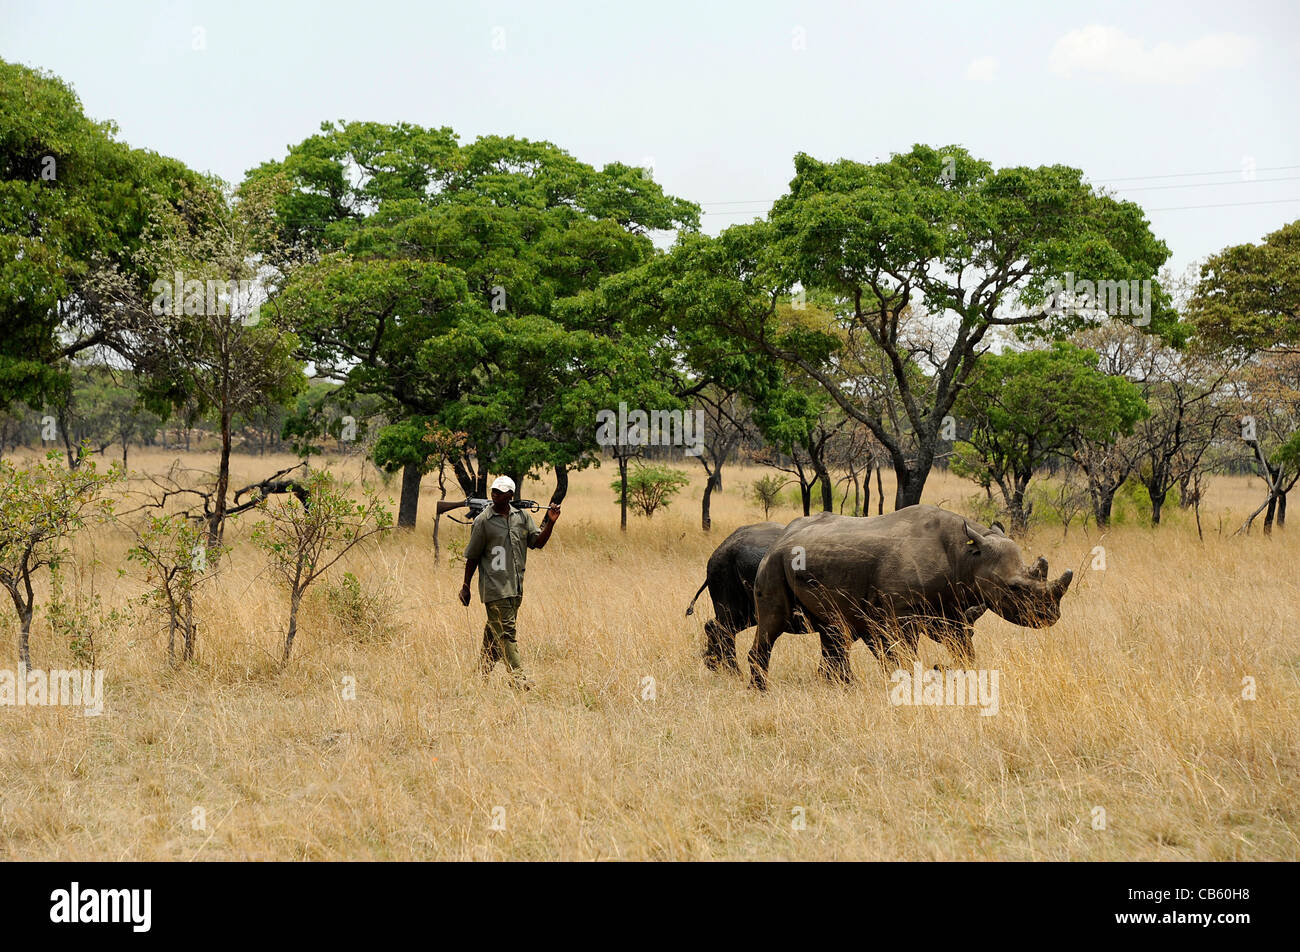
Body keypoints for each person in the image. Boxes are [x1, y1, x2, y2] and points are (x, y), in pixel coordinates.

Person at [459, 475, 560, 688]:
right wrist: (466, 585)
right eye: (494, 490)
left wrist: (550, 522)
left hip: (515, 587)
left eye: (501, 491)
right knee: (506, 632)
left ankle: (480, 676)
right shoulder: (483, 521)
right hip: (494, 588)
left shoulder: (521, 518)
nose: (495, 494)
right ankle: (518, 678)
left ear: (510, 495)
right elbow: (473, 556)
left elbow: (537, 543)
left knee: (494, 633)